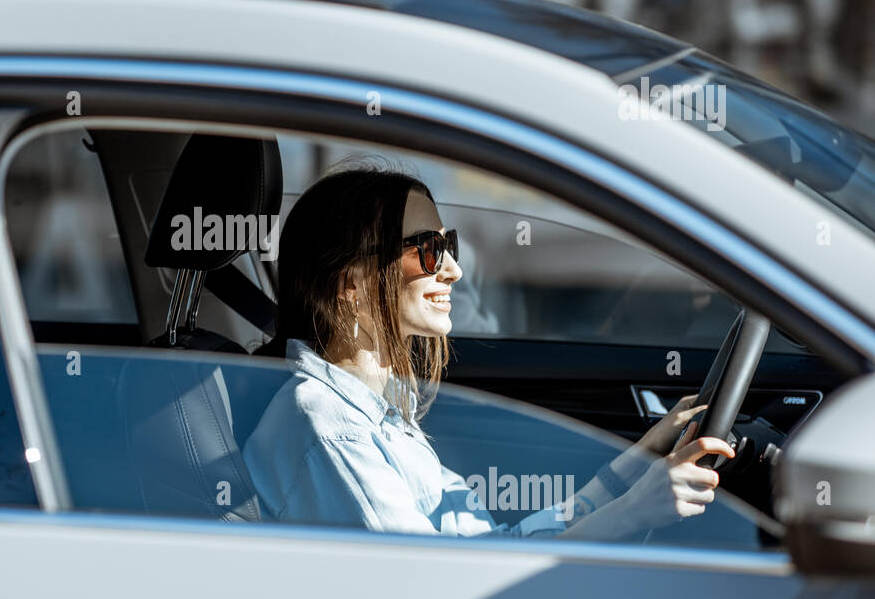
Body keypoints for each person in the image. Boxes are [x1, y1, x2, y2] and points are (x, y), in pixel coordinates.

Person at [245, 166, 735, 538]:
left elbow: (492, 551)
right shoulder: (333, 431)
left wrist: (636, 463)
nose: (454, 270)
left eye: (448, 245)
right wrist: (632, 512)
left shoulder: (376, 412)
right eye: (428, 250)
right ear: (351, 284)